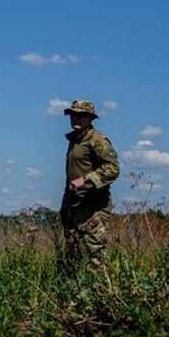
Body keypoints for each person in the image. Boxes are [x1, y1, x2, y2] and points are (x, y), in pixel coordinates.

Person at [59, 100, 120, 272]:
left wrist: (86, 180)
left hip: (93, 207)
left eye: (81, 115)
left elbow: (113, 168)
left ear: (90, 118)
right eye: (73, 114)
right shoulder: (75, 140)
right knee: (73, 253)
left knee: (96, 254)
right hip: (74, 205)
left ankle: (101, 293)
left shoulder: (97, 139)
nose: (76, 118)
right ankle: (74, 291)